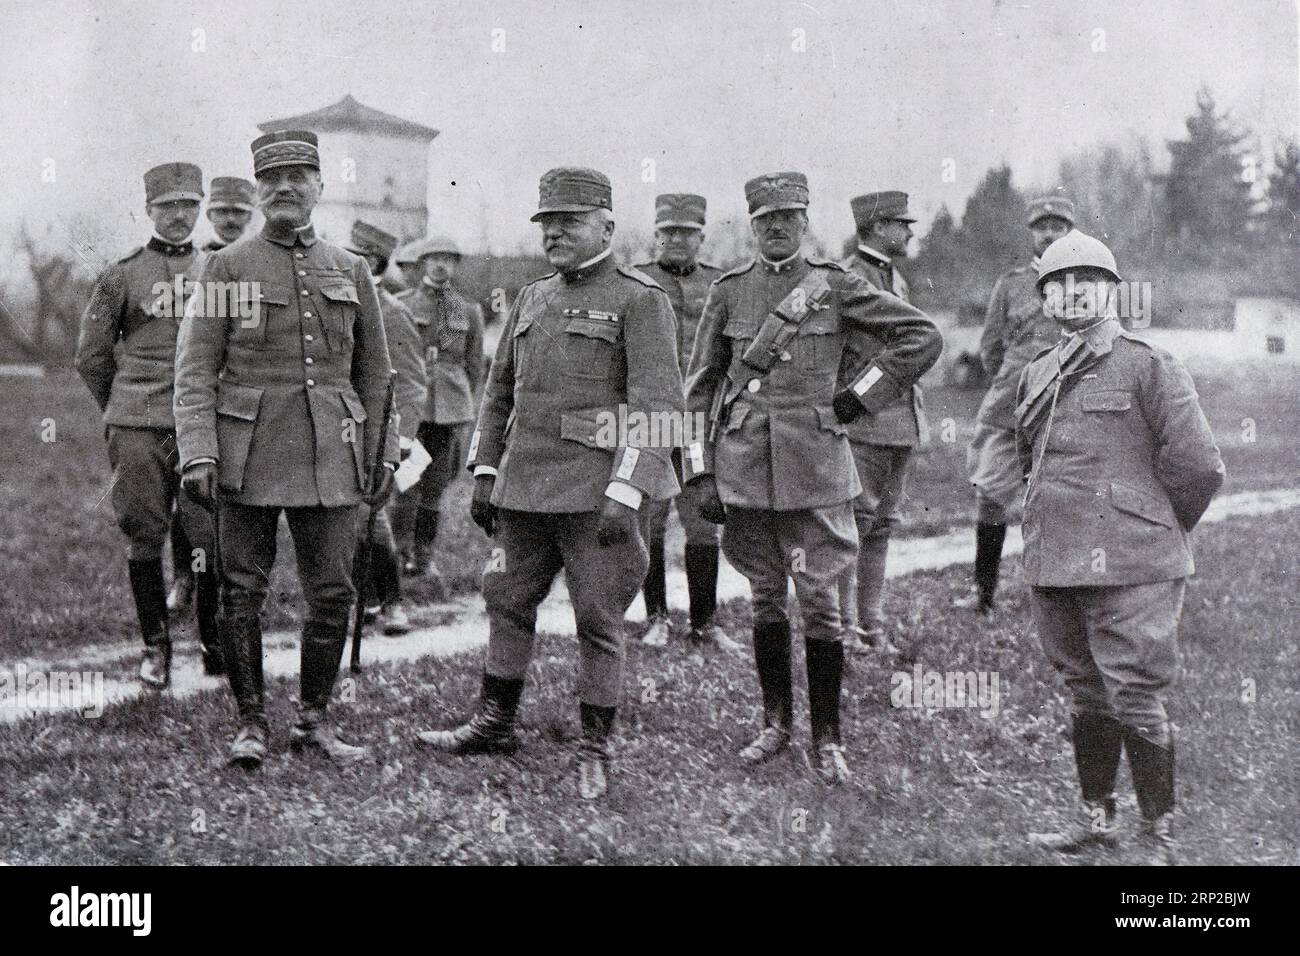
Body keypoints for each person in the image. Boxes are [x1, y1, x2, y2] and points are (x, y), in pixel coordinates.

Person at [416, 167, 683, 801]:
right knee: (506, 599)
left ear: (607, 226)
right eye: (547, 222)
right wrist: (485, 471)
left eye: (570, 220)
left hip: (597, 493)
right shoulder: (530, 297)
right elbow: (497, 391)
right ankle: (494, 722)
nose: (555, 232)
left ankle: (594, 747)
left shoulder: (641, 298)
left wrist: (626, 491)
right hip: (525, 488)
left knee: (597, 615)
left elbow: (661, 409)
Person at [683, 172, 942, 784]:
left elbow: (920, 336)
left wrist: (860, 398)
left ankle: (828, 738)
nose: (776, 226)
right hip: (744, 469)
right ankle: (775, 724)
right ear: (752, 225)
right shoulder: (728, 291)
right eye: (765, 217)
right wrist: (698, 473)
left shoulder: (835, 285)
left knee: (821, 599)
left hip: (818, 469)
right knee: (765, 596)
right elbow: (697, 393)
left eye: (789, 215)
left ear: (805, 220)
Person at [175, 130, 397, 769]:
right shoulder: (227, 266)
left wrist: (379, 455)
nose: (287, 188)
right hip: (245, 453)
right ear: (258, 191)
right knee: (241, 589)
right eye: (273, 180)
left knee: (331, 592)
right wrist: (198, 451)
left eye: (300, 176)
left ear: (320, 187)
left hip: (332, 451)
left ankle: (314, 722)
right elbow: (195, 368)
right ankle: (249, 724)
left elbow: (375, 375)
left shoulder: (351, 268)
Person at [1018, 231, 1224, 864]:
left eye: (1090, 281)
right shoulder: (1037, 372)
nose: (1074, 293)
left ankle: (1158, 834)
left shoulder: (1148, 364)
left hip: (1134, 563)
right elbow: (1030, 459)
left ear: (1113, 293)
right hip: (1057, 560)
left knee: (1133, 690)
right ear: (1046, 299)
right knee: (1084, 690)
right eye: (1060, 283)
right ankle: (1096, 821)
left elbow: (1198, 466)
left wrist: (1156, 530)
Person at [75, 161, 222, 686]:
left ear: (200, 207)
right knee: (144, 534)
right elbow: (91, 357)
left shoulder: (221, 269)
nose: (179, 215)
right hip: (138, 424)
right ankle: (155, 648)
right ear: (148, 210)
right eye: (168, 206)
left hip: (202, 424)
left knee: (208, 536)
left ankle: (213, 643)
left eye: (188, 205)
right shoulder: (120, 274)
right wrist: (124, 407)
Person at [957, 196, 1074, 614]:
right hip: (1011, 407)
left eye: (1057, 226)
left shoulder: (1089, 285)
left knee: (1060, 499)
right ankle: (983, 594)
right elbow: (990, 348)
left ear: (1070, 232)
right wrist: (1016, 380)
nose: (1048, 233)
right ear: (1031, 233)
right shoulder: (1010, 284)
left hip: (1065, 410)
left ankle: (1058, 595)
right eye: (1041, 226)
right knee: (990, 493)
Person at [631, 193, 738, 651]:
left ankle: (705, 623)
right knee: (649, 522)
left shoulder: (720, 284)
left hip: (697, 422)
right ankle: (656, 618)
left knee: (702, 519)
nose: (676, 239)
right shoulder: (636, 281)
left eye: (686, 232)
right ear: (656, 235)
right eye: (668, 231)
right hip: (649, 420)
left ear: (700, 237)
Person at [837, 190, 927, 655]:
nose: (910, 231)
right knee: (855, 525)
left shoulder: (894, 277)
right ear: (875, 228)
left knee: (882, 525)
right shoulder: (850, 277)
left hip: (898, 422)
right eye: (901, 223)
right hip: (865, 422)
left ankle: (872, 627)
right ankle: (848, 628)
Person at [170, 175, 258, 614]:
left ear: (251, 215)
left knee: (227, 518)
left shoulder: (259, 264)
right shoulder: (191, 266)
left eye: (239, 213)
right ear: (209, 215)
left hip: (240, 403)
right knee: (190, 503)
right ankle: (185, 575)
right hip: (195, 399)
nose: (230, 220)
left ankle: (218, 621)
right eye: (222, 212)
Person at [344, 220, 428, 635]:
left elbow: (411, 382)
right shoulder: (338, 303)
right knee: (343, 522)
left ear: (373, 262)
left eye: (356, 257)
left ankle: (393, 603)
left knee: (370, 518)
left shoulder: (391, 312)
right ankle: (367, 601)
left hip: (375, 433)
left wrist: (402, 439)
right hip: (335, 427)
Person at [391, 235, 485, 598]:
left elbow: (474, 365)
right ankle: (401, 553)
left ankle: (425, 556)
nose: (441, 265)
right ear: (423, 263)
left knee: (435, 487)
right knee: (406, 483)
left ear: (456, 265)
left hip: (448, 407)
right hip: (413, 404)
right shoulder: (402, 305)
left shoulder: (469, 311)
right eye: (435, 259)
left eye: (449, 259)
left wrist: (460, 399)